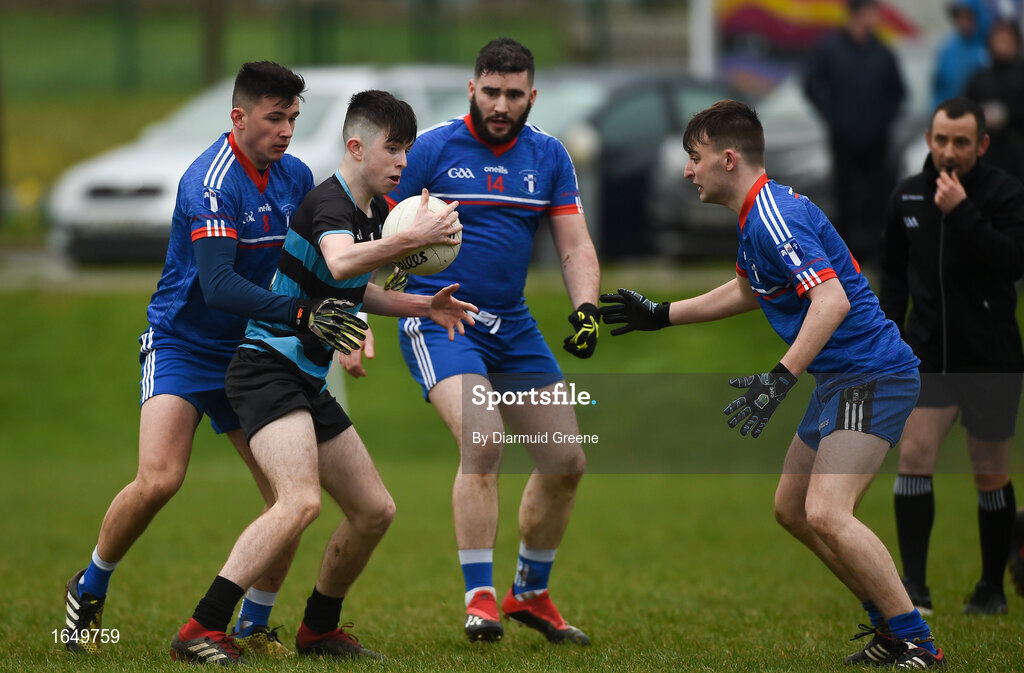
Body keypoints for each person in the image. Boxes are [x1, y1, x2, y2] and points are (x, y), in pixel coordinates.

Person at [600, 100, 945, 667]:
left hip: (870, 376)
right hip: (841, 379)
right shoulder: (756, 217)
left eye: (695, 157)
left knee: (829, 512)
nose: (689, 171)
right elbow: (745, 291)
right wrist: (661, 314)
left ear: (727, 158)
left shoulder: (773, 216)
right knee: (792, 508)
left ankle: (917, 643)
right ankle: (889, 624)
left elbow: (829, 301)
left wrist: (779, 377)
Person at [169, 89, 477, 664]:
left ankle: (319, 630)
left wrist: (425, 306)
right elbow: (338, 262)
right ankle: (200, 629)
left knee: (374, 510)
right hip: (265, 369)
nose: (403, 164)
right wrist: (412, 239)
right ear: (356, 147)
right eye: (393, 150)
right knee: (299, 502)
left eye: (408, 152)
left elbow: (357, 289)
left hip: (303, 379)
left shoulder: (376, 215)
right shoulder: (329, 205)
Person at [61, 61, 326, 658]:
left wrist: (350, 314)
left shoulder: (296, 175)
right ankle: (91, 584)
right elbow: (219, 287)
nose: (286, 130)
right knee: (160, 479)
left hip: (251, 353)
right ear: (239, 116)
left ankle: (252, 627)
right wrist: (301, 315)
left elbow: (315, 260)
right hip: (182, 343)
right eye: (274, 117)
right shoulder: (209, 181)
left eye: (292, 118)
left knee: (287, 500)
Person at [384, 38, 599, 645]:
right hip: (439, 319)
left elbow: (575, 245)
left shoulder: (549, 157)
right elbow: (383, 237)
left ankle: (529, 593)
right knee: (484, 442)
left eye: (513, 95)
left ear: (532, 96)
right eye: (490, 92)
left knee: (566, 462)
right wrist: (386, 294)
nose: (501, 105)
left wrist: (585, 309)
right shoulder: (431, 150)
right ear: (471, 90)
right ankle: (480, 598)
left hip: (512, 323)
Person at [879, 96, 1024, 616]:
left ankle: (991, 589)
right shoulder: (907, 197)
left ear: (981, 145)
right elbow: (893, 273)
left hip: (990, 358)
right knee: (915, 458)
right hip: (927, 355)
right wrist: (889, 335)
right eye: (941, 140)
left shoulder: (1005, 195)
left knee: (990, 473)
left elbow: (1012, 262)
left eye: (961, 142)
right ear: (928, 140)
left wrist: (962, 212)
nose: (949, 152)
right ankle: (914, 587)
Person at [802, 0, 906, 267]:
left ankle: (875, 252)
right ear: (857, 15)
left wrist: (882, 121)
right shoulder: (832, 50)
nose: (875, 18)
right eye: (871, 12)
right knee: (845, 196)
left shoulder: (882, 52)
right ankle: (844, 256)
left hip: (876, 140)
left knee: (877, 195)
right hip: (843, 139)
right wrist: (835, 118)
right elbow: (812, 85)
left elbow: (897, 93)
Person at [966, 19, 1024, 183]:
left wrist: (1007, 113)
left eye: (1008, 40)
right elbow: (965, 108)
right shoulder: (980, 77)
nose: (1003, 45)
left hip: (1017, 150)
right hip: (989, 153)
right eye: (999, 40)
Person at [932, 0, 991, 110]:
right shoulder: (947, 49)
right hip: (951, 114)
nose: (964, 23)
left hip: (981, 117)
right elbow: (938, 86)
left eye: (969, 18)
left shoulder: (989, 46)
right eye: (960, 18)